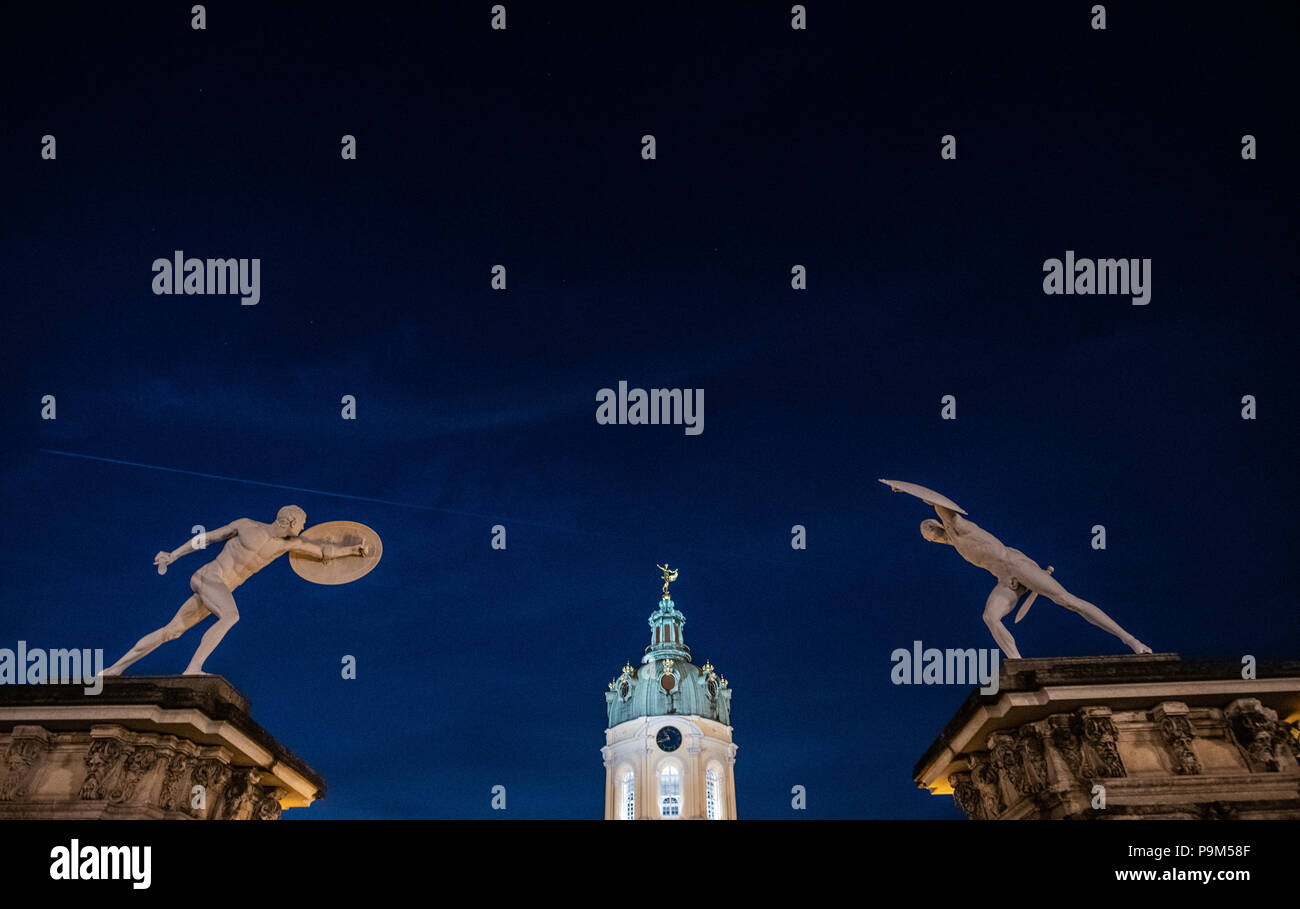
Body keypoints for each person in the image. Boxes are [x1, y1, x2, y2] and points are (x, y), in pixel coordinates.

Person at [101, 505, 368, 676]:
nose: (304, 527)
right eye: (302, 523)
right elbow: (208, 537)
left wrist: (354, 550)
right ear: (288, 520)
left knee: (172, 630)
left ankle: (114, 669)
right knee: (231, 616)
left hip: (219, 590)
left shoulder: (287, 545)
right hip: (209, 576)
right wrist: (174, 554)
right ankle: (193, 669)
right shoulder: (246, 525)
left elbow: (323, 550)